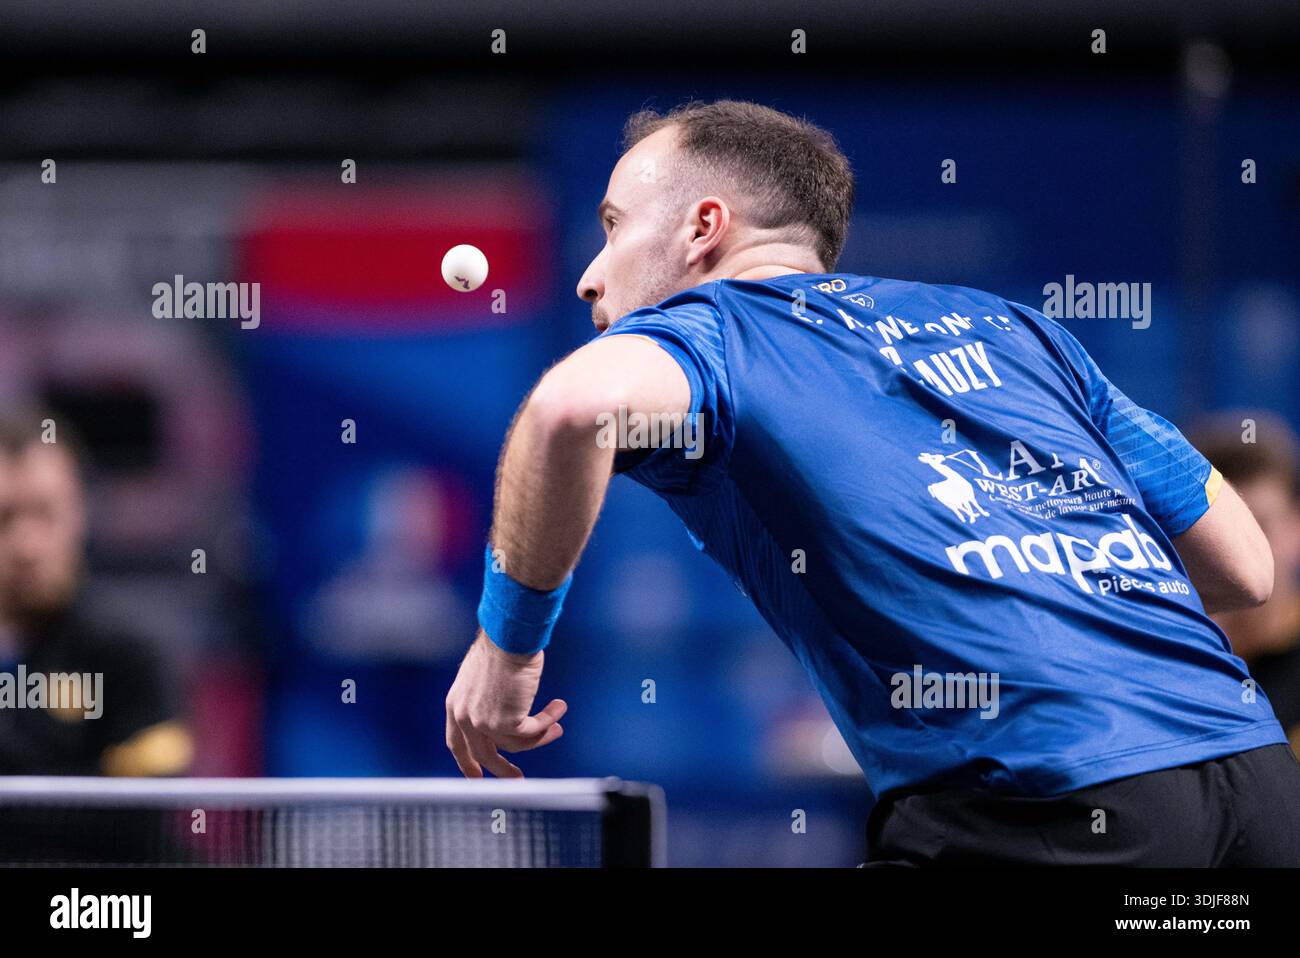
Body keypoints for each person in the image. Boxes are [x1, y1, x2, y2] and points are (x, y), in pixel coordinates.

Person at [445, 99, 1300, 865]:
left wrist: (505, 647)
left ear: (703, 227)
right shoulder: (1016, 329)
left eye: (614, 225)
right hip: (1258, 791)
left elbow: (566, 412)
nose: (590, 273)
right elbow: (1243, 569)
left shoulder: (711, 334)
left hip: (1040, 799)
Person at [0, 414, 192, 776]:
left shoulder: (127, 652)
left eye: (45, 514)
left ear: (81, 513)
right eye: (4, 516)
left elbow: (143, 805)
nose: (26, 544)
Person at [1189, 412, 1300, 756]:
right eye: (1221, 538)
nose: (1240, 559)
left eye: (1262, 527)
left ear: (1296, 528)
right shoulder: (1167, 662)